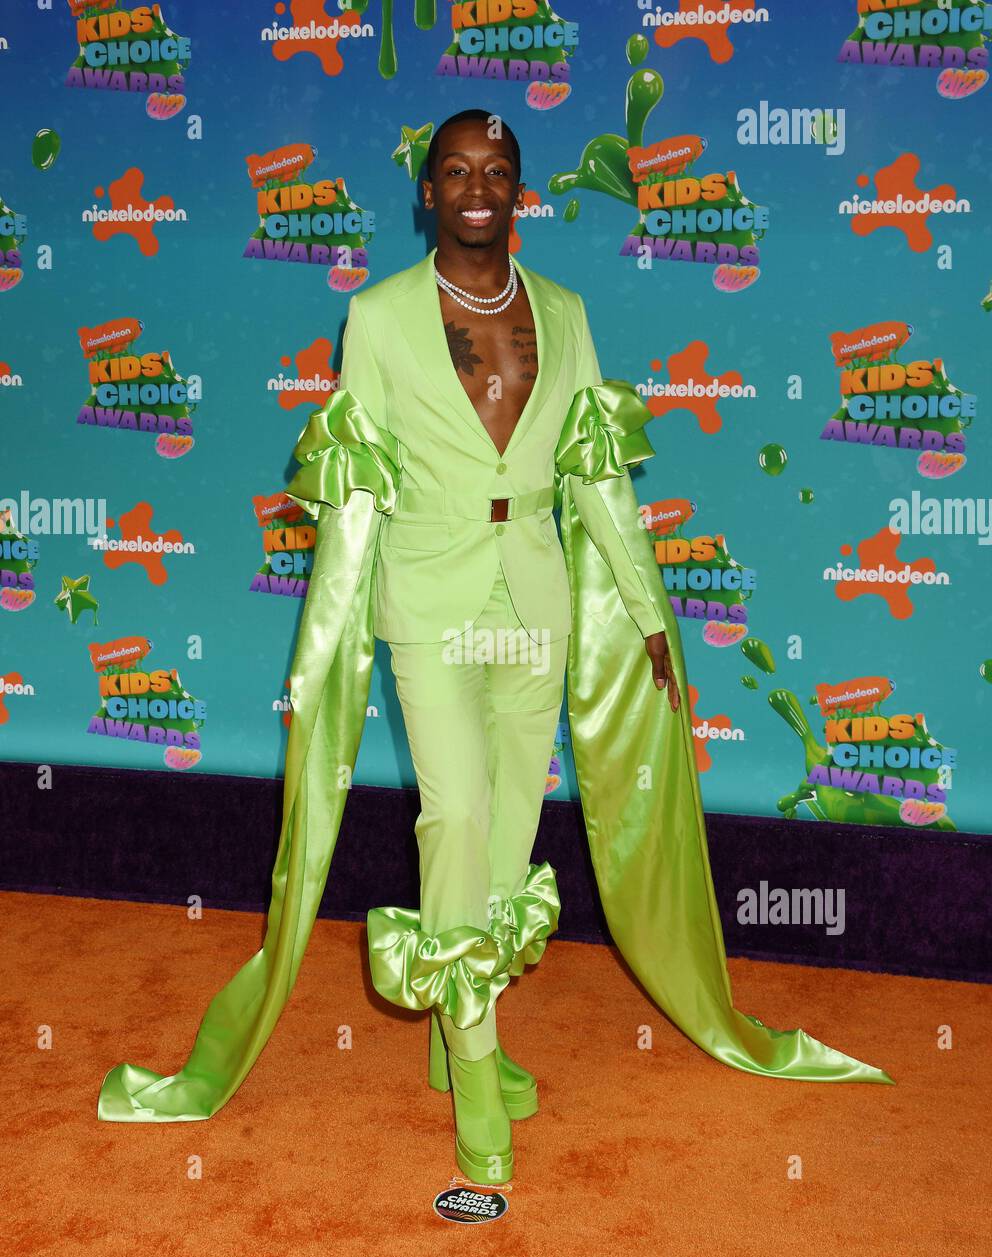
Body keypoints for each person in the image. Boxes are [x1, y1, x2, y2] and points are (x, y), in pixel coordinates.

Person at [98, 109, 894, 1182]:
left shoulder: (564, 313)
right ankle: (475, 1071)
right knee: (455, 816)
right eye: (456, 171)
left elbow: (594, 473)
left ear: (522, 192)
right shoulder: (375, 318)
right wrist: (326, 634)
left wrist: (652, 617)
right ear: (425, 192)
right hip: (427, 596)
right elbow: (352, 490)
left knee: (513, 831)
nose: (477, 187)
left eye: (498, 171)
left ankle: (448, 1031)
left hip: (535, 593)